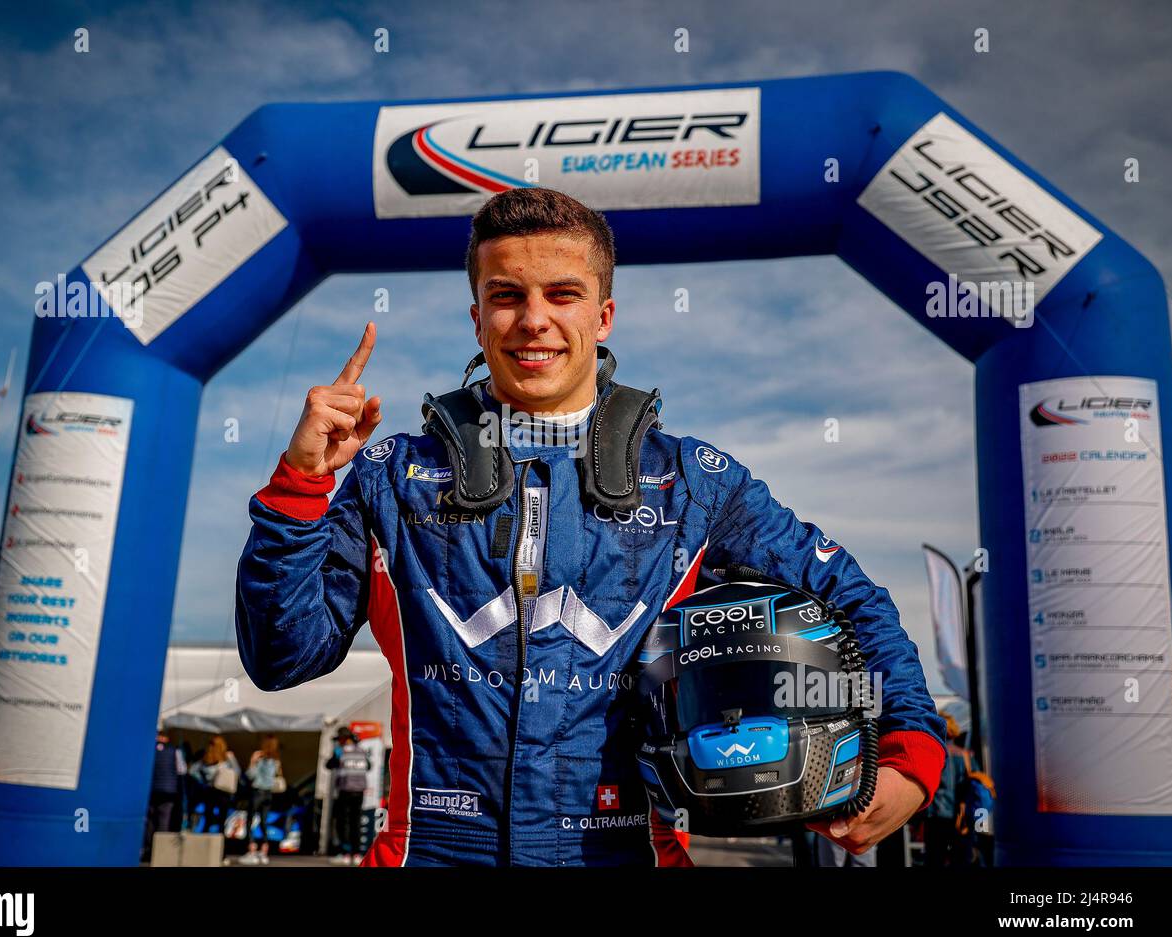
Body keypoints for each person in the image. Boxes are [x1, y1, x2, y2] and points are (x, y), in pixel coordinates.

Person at [236, 187, 948, 867]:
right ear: (477, 318)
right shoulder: (392, 475)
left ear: (603, 316)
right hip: (427, 852)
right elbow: (283, 658)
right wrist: (301, 486)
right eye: (506, 296)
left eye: (562, 295)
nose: (533, 320)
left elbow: (852, 602)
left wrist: (912, 754)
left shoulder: (695, 481)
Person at [923, 711, 970, 867]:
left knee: (934, 858)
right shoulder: (965, 755)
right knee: (960, 859)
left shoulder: (933, 753)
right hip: (961, 816)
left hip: (936, 814)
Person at [325, 726, 369, 864]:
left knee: (342, 822)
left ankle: (344, 853)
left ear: (343, 739)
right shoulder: (361, 750)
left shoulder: (340, 751)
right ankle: (356, 854)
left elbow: (328, 765)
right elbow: (369, 766)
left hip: (345, 791)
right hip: (359, 792)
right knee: (355, 822)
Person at [145, 726, 187, 859]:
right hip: (168, 792)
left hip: (152, 790)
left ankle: (147, 848)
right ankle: (159, 851)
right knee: (163, 820)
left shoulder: (149, 750)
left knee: (150, 820)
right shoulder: (174, 750)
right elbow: (182, 770)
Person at [241, 734, 283, 865]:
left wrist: (252, 761)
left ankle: (252, 849)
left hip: (257, 792)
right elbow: (277, 775)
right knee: (264, 821)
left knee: (250, 820)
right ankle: (264, 852)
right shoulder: (276, 761)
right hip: (268, 793)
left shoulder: (259, 758)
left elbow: (250, 775)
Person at [189, 735, 240, 834]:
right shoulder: (226, 758)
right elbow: (237, 772)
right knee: (222, 819)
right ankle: (219, 839)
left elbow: (192, 771)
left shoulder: (206, 758)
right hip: (224, 792)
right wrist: (232, 758)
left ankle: (206, 837)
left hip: (209, 790)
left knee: (208, 817)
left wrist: (203, 781)